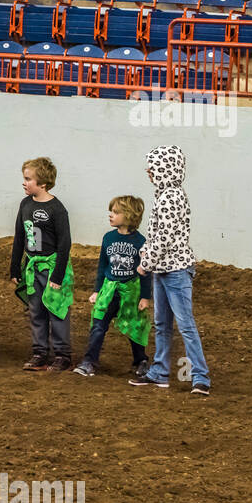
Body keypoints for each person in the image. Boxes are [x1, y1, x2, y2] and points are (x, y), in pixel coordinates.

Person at [130, 144, 211, 394]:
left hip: (174, 271)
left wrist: (145, 264)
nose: (149, 170)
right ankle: (160, 372)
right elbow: (157, 235)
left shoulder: (169, 197)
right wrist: (147, 254)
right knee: (163, 324)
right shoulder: (166, 195)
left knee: (184, 324)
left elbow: (163, 238)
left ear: (164, 168)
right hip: (165, 270)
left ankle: (201, 377)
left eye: (153, 166)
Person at [73, 195, 151, 377]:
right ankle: (89, 361)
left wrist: (145, 296)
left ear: (129, 216)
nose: (110, 215)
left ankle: (141, 361)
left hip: (131, 291)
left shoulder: (140, 242)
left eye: (116, 212)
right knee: (98, 324)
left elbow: (146, 271)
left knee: (135, 326)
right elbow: (102, 266)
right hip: (109, 291)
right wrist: (96, 290)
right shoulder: (108, 238)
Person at [9, 156, 73, 371]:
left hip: (53, 266)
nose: (24, 182)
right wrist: (15, 267)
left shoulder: (57, 209)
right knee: (35, 309)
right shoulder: (25, 204)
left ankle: (62, 354)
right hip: (32, 266)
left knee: (57, 309)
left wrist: (57, 275)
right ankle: (40, 352)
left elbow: (65, 244)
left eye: (28, 179)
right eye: (24, 178)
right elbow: (20, 237)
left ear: (42, 183)